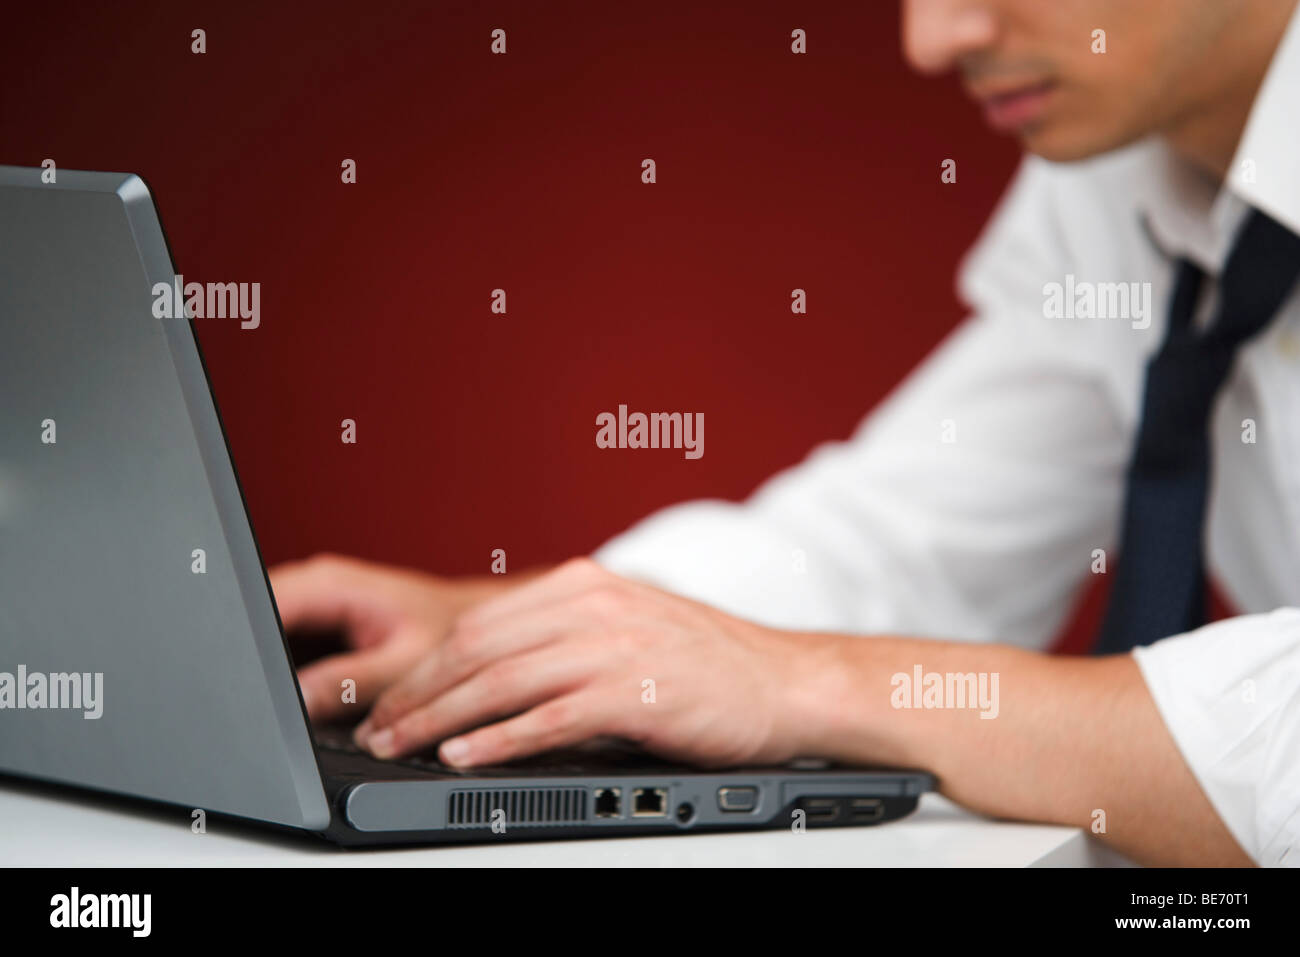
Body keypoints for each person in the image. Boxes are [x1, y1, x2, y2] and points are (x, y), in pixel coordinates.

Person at [270, 0, 1300, 867]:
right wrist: (510, 632)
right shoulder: (1111, 175)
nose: (932, 40)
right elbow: (905, 538)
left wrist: (811, 681)